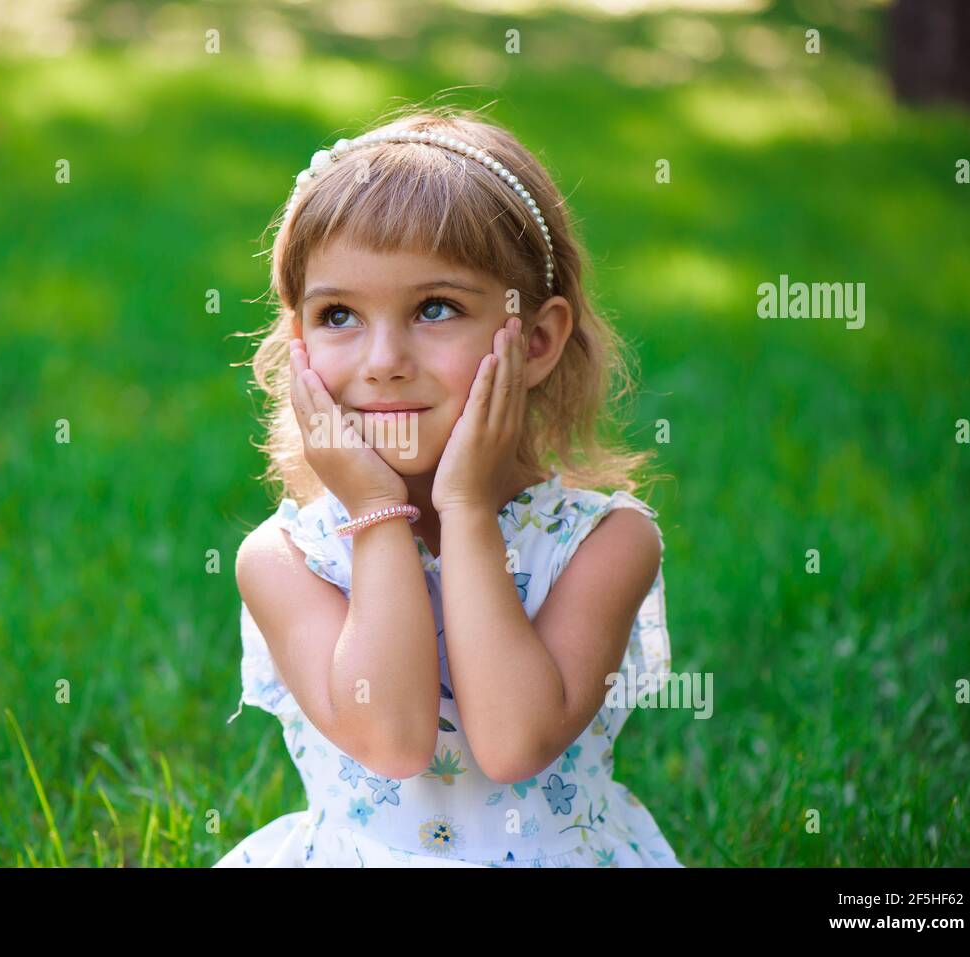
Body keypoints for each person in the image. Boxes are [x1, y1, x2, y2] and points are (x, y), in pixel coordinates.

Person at [215, 105, 683, 867]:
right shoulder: (285, 560)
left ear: (535, 341)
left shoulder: (605, 543)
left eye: (435, 308)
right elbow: (394, 738)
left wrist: (465, 511)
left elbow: (513, 740)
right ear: (298, 348)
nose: (383, 359)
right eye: (339, 315)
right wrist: (374, 512)